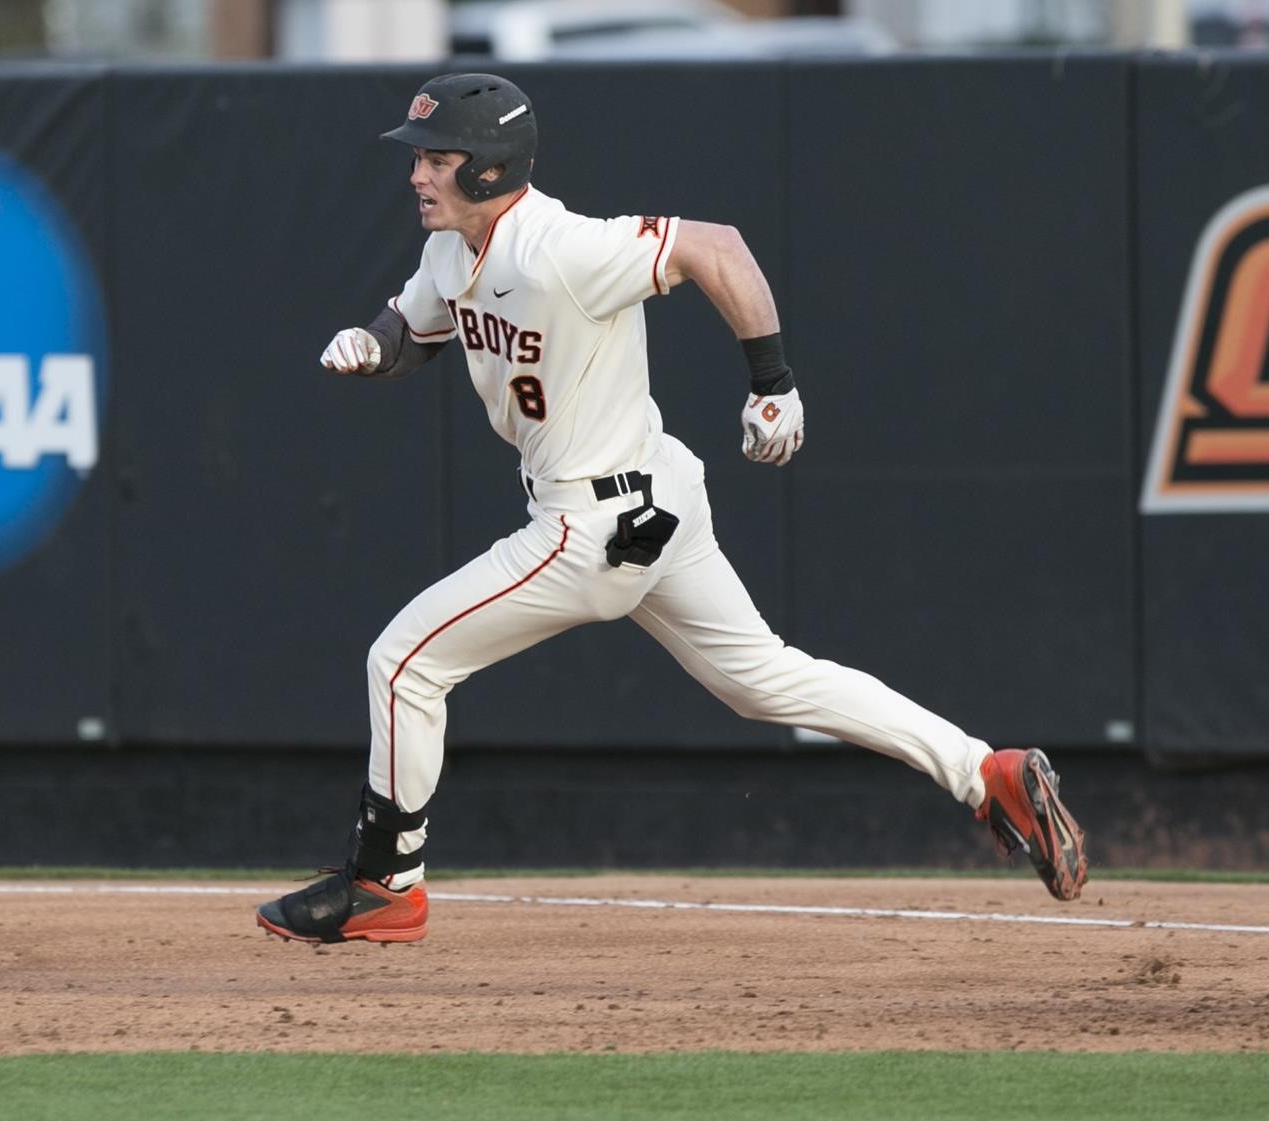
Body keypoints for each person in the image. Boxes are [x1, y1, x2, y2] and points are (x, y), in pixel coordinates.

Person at [256, 73, 1086, 945]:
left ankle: (386, 883)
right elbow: (412, 328)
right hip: (653, 499)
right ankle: (985, 772)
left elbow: (717, 248)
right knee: (762, 677)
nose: (418, 175)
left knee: (403, 663)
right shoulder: (452, 250)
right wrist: (371, 343)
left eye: (437, 158)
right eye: (419, 157)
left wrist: (773, 382)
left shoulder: (560, 247)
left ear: (491, 167)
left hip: (587, 524)